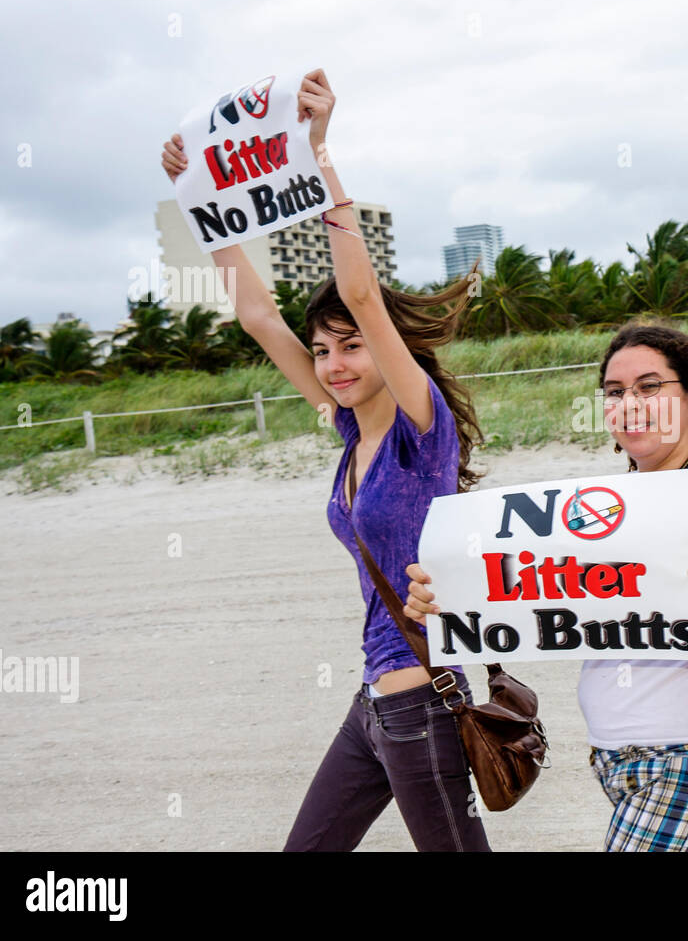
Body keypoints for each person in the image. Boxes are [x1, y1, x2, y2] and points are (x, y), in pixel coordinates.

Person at [161, 70, 489, 851]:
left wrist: (319, 155)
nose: (335, 363)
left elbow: (364, 296)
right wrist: (195, 202)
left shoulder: (421, 430)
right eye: (322, 351)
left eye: (350, 347)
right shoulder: (349, 433)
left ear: (384, 349)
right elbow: (256, 315)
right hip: (373, 708)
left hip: (423, 702)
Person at [406, 324, 688, 851]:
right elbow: (537, 592)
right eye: (615, 392)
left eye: (650, 386)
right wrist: (448, 598)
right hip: (629, 763)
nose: (630, 403)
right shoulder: (612, 501)